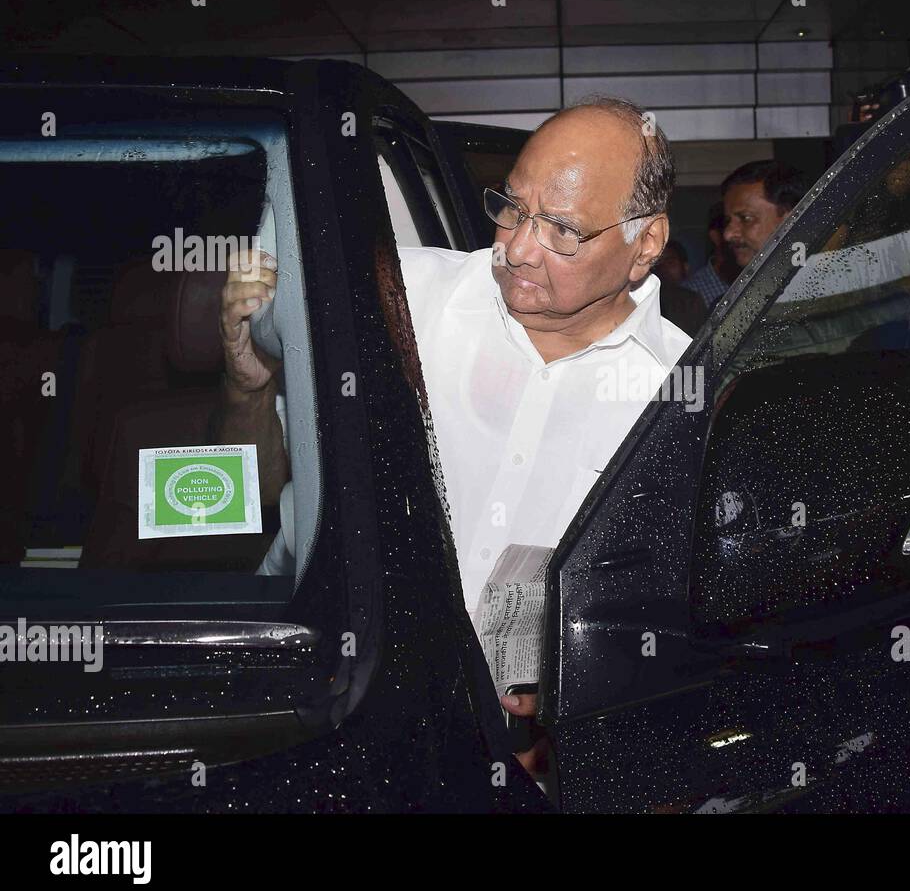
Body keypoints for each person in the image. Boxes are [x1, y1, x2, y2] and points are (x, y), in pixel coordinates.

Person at [215, 95, 692, 774]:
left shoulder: (678, 397)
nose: (519, 248)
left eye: (561, 229)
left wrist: (570, 705)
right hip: (305, 706)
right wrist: (247, 384)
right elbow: (255, 495)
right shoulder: (392, 301)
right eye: (511, 208)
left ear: (645, 241)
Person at [720, 159, 809, 272]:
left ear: (790, 219)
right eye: (728, 220)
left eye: (746, 218)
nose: (728, 234)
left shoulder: (827, 279)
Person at [682, 202, 737, 308]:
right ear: (715, 236)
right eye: (730, 227)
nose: (739, 236)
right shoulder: (692, 292)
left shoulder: (760, 279)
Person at [653, 239, 707, 335]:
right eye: (657, 264)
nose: (663, 268)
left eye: (670, 263)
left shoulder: (691, 301)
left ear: (685, 267)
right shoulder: (648, 300)